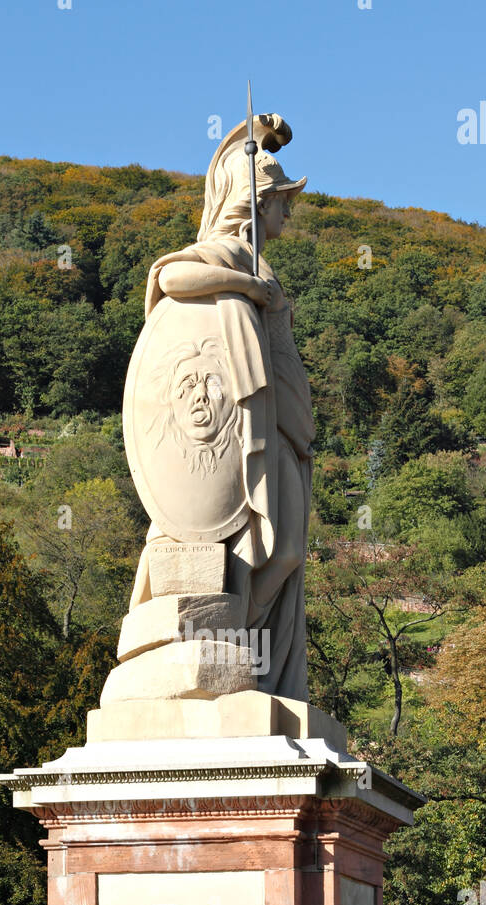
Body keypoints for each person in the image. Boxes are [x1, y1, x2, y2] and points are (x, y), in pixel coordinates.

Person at [128, 112, 315, 701]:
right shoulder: (230, 255)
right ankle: (234, 637)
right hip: (252, 428)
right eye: (282, 200)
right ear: (257, 202)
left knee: (287, 550)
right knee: (279, 548)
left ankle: (246, 646)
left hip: (283, 424)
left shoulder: (260, 260)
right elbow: (170, 275)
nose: (289, 211)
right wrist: (248, 290)